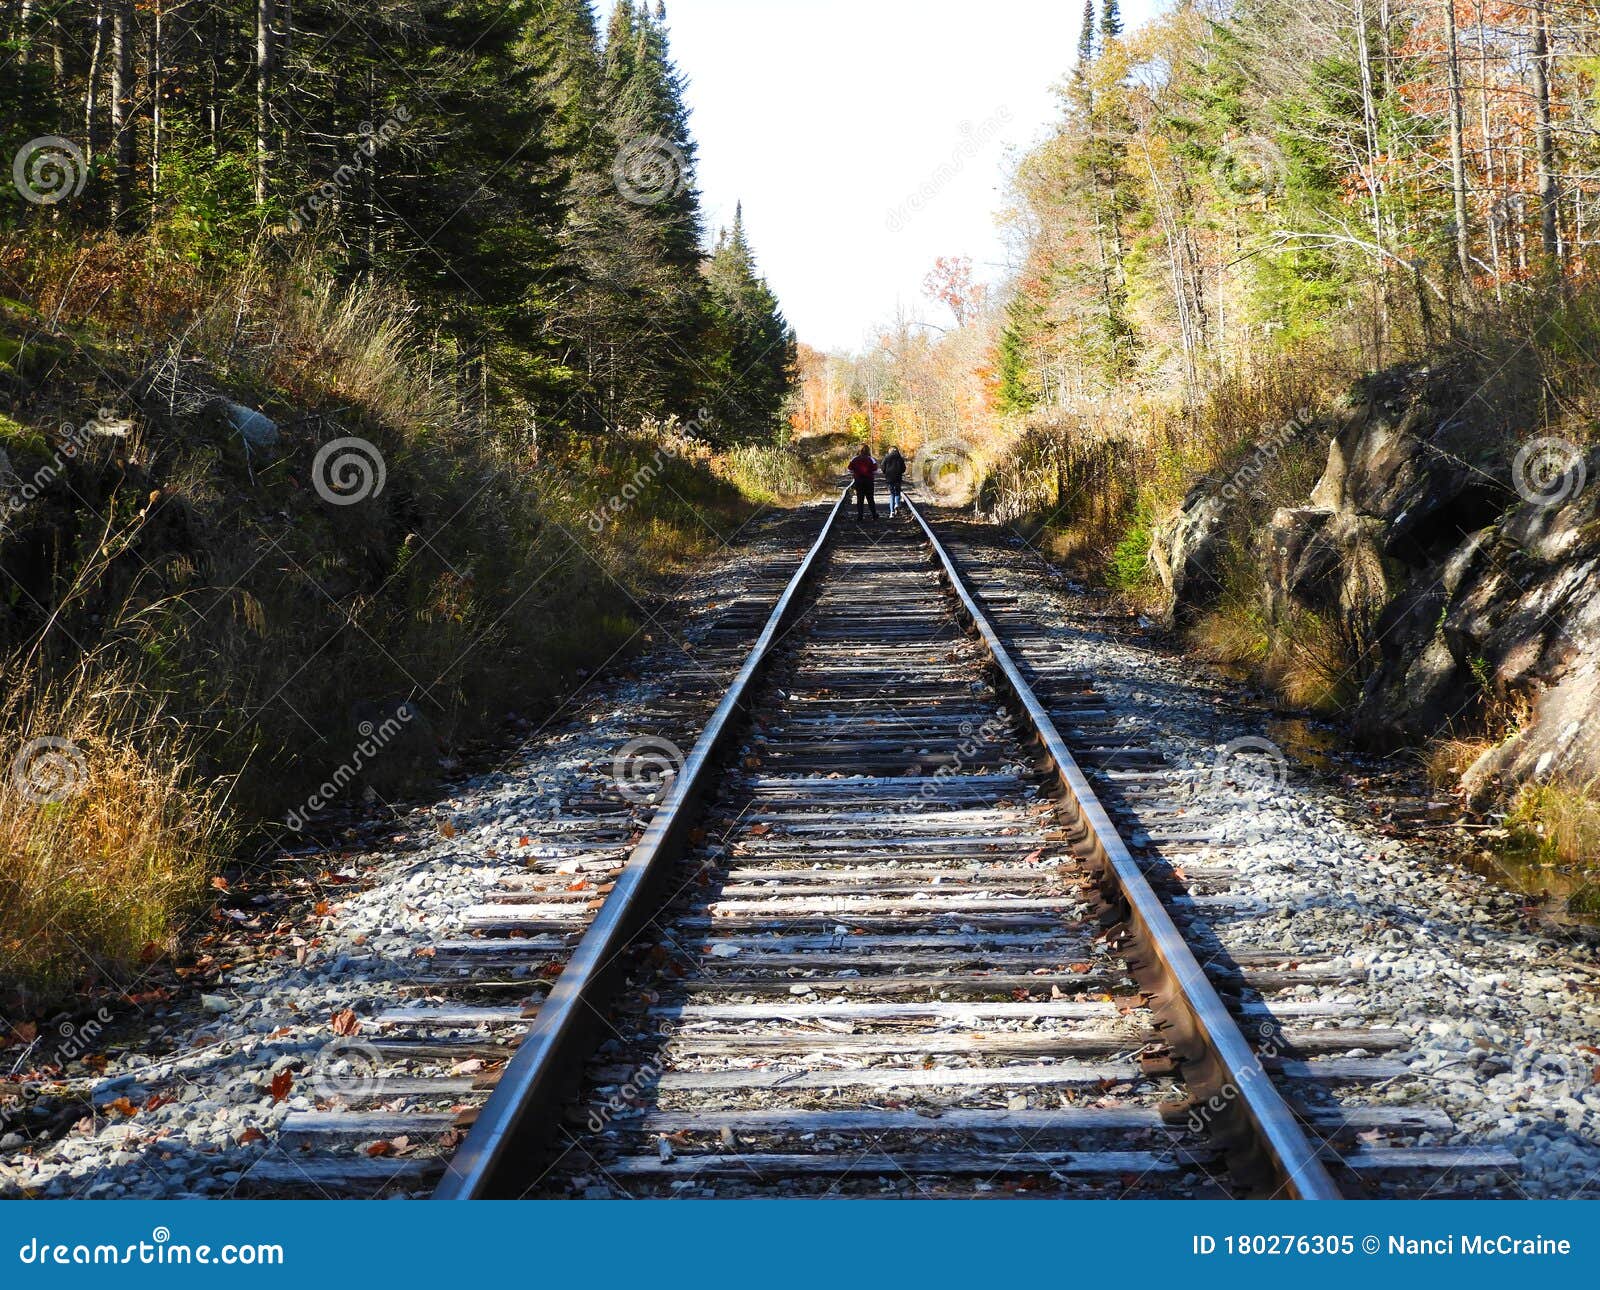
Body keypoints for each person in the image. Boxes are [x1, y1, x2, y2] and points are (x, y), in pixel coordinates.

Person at [848, 445, 878, 520]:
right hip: (869, 481)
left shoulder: (854, 459)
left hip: (858, 481)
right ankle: (874, 514)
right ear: (868, 451)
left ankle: (860, 515)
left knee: (860, 498)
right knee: (870, 498)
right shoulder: (871, 459)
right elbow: (875, 470)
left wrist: (856, 472)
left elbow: (849, 469)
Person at [881, 446, 906, 516]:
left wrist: (886, 472)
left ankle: (892, 512)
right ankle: (897, 504)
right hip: (898, 478)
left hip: (889, 478)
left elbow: (882, 467)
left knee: (892, 494)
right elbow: (904, 469)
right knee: (897, 492)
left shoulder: (887, 457)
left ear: (890, 451)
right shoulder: (900, 458)